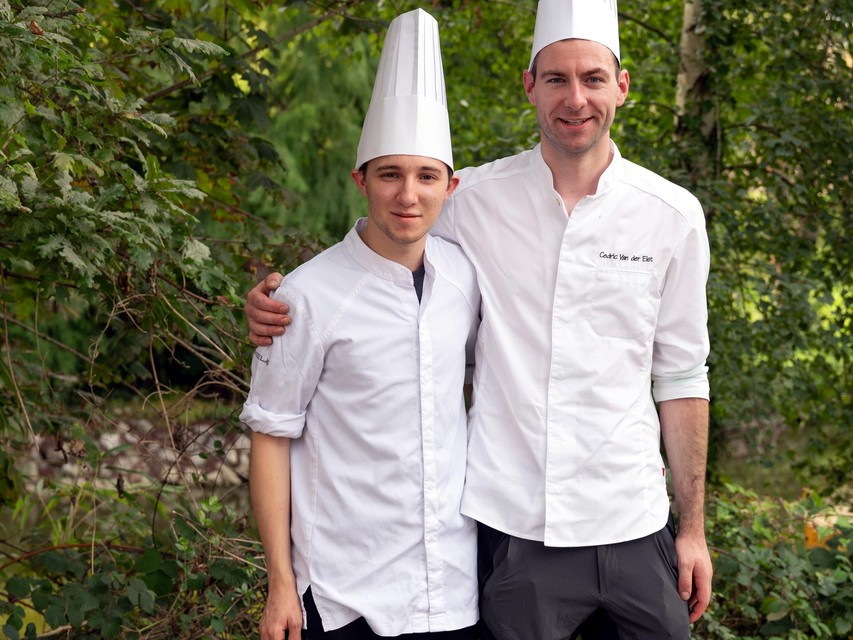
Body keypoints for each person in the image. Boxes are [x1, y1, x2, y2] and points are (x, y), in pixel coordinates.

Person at [246, 1, 713, 638]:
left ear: (622, 86)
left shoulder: (673, 215)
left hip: (633, 521)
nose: (575, 98)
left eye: (593, 78)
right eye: (555, 78)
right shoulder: (475, 199)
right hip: (513, 528)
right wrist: (283, 301)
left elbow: (682, 376)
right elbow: (384, 240)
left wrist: (692, 530)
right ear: (530, 86)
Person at [240, 10, 480, 640]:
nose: (408, 195)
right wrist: (281, 583)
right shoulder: (306, 296)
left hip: (454, 591)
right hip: (346, 596)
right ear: (361, 181)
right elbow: (270, 435)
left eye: (426, 176)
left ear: (449, 187)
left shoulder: (465, 278)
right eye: (390, 174)